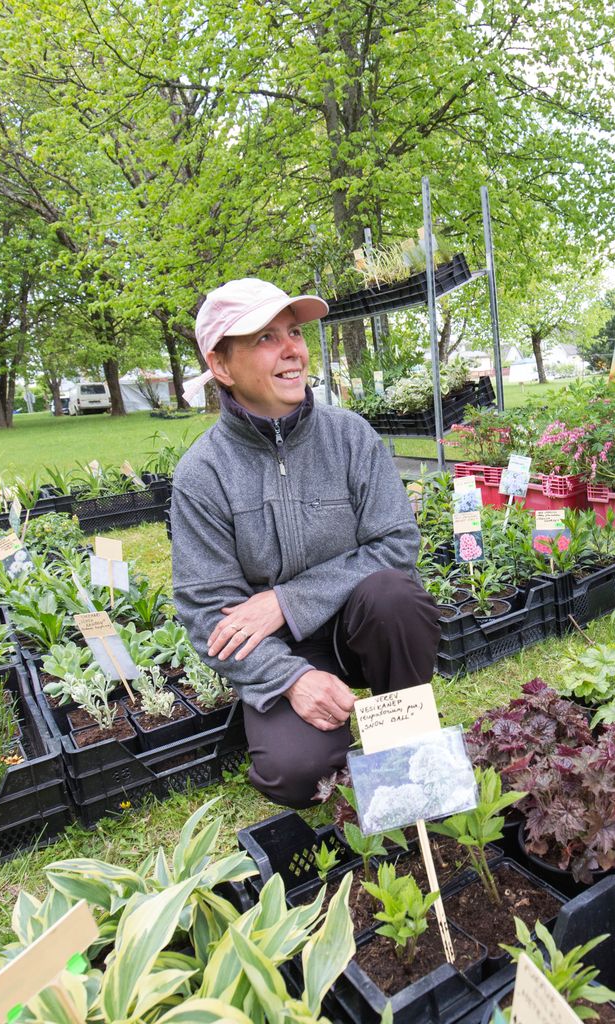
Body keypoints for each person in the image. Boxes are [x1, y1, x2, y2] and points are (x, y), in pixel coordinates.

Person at [170, 277, 442, 807]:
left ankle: (406, 734)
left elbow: (395, 542)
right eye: (265, 338)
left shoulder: (350, 435)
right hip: (282, 649)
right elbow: (207, 611)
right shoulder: (203, 473)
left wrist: (287, 601)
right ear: (221, 365)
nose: (293, 349)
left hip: (359, 627)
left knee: (395, 595)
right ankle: (300, 722)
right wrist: (291, 679)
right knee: (299, 775)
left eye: (294, 332)